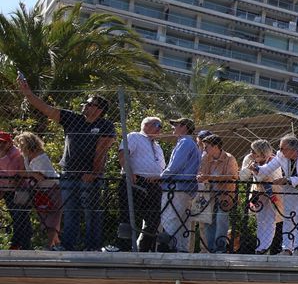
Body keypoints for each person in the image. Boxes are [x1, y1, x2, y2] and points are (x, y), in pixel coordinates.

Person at [14, 81, 114, 250]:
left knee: (91, 212)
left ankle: (92, 247)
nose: (85, 105)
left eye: (89, 104)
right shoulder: (72, 118)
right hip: (68, 174)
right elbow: (46, 108)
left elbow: (101, 151)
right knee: (70, 212)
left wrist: (93, 173)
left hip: (89, 176)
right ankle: (68, 246)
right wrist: (28, 93)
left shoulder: (105, 125)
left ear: (99, 109)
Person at [258, 136, 298, 254]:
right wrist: (256, 169)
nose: (280, 151)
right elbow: (267, 168)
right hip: (290, 189)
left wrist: (287, 180)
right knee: (288, 217)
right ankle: (286, 249)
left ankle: (297, 248)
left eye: (283, 148)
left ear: (293, 149)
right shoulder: (281, 154)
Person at [123, 115, 167, 251]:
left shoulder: (157, 145)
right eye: (157, 125)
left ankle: (143, 248)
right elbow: (123, 153)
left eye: (161, 127)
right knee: (130, 216)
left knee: (153, 219)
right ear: (146, 125)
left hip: (154, 185)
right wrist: (129, 172)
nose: (160, 129)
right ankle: (124, 248)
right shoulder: (134, 137)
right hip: (137, 181)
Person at [158, 117, 201, 252]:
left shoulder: (184, 142)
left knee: (170, 218)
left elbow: (175, 166)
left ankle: (169, 248)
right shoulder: (190, 143)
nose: (173, 127)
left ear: (184, 127)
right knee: (183, 221)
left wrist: (160, 177)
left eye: (176, 125)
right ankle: (181, 249)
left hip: (176, 187)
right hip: (185, 187)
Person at [14, 133, 62, 249]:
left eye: (21, 145)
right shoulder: (26, 156)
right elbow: (33, 175)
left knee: (52, 218)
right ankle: (57, 245)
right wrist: (29, 174)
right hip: (39, 190)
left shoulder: (41, 157)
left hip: (52, 189)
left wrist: (27, 174)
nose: (19, 148)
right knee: (45, 219)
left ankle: (49, 246)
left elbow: (41, 176)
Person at [194, 134, 240, 253]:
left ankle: (220, 248)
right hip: (209, 195)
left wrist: (209, 177)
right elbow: (201, 172)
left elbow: (232, 176)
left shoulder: (229, 158)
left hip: (225, 196)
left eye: (207, 146)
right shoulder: (206, 158)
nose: (204, 149)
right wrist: (201, 176)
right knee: (209, 221)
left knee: (221, 220)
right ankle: (211, 248)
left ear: (215, 147)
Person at [240, 140, 280, 253]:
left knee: (270, 220)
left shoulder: (273, 160)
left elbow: (266, 177)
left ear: (262, 153)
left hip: (272, 194)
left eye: (254, 151)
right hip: (257, 194)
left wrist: (256, 171)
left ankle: (264, 248)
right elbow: (242, 177)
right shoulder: (249, 158)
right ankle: (260, 248)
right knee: (260, 220)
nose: (251, 153)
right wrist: (249, 169)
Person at [0, 131, 30, 250]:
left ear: (9, 143)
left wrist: (2, 157)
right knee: (18, 217)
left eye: (3, 142)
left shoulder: (16, 153)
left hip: (19, 190)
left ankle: (17, 243)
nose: (0, 145)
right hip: (7, 190)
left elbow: (12, 173)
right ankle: (23, 244)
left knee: (20, 217)